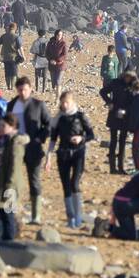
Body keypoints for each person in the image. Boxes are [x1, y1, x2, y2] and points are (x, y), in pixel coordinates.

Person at [6, 77, 52, 224]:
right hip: (15, 149)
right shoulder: (12, 105)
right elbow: (5, 124)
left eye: (25, 89)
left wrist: (40, 138)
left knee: (34, 181)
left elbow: (49, 125)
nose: (22, 93)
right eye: (19, 90)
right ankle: (10, 213)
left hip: (34, 149)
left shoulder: (39, 105)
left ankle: (35, 216)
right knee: (11, 180)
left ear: (30, 89)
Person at [49, 90, 95, 229]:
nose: (64, 105)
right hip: (63, 153)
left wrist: (81, 138)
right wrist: (48, 157)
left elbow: (91, 134)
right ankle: (71, 218)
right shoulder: (58, 119)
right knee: (66, 186)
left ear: (72, 102)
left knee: (75, 183)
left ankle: (78, 216)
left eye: (66, 102)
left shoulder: (80, 116)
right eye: (62, 103)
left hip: (78, 152)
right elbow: (53, 139)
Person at [0, 113, 26, 242]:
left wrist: (9, 185)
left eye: (3, 125)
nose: (0, 127)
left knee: (8, 215)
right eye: (0, 125)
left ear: (12, 127)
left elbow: (14, 167)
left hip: (9, 186)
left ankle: (9, 244)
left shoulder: (15, 143)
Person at [0, 22, 24, 90]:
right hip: (14, 57)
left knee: (7, 72)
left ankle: (8, 86)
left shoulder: (4, 36)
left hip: (5, 57)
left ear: (9, 28)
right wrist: (23, 56)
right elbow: (20, 47)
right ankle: (12, 87)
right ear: (15, 28)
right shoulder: (16, 37)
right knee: (14, 72)